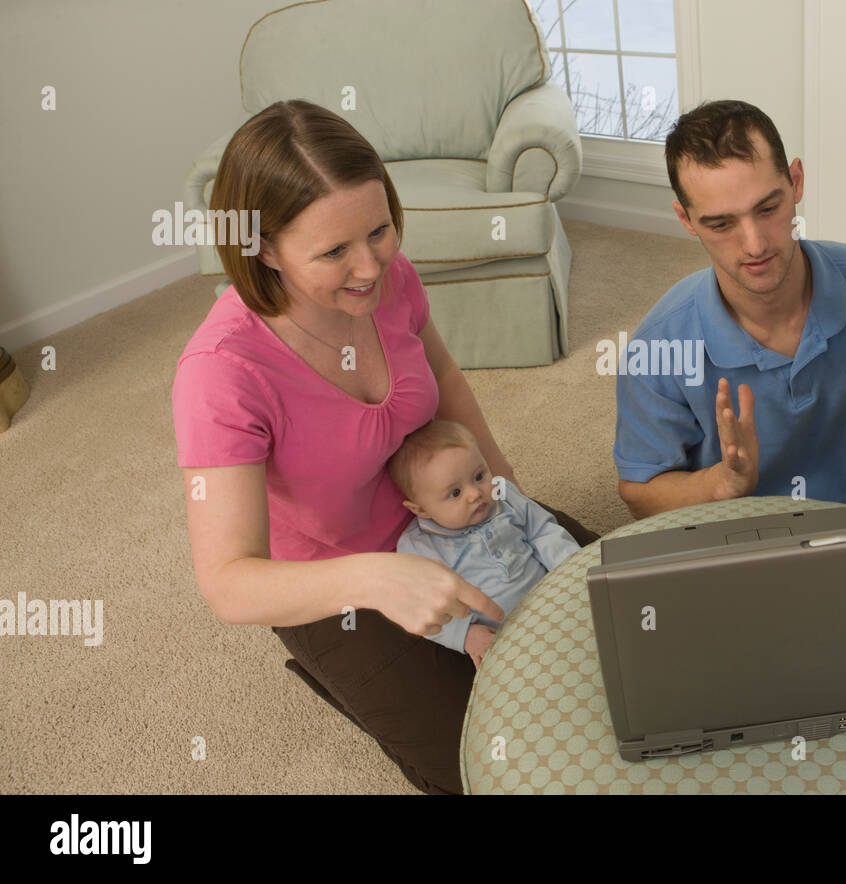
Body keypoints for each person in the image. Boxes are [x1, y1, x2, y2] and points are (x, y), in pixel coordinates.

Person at [171, 99, 598, 795]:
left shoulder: (391, 280)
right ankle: (335, 668)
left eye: (380, 230)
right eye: (335, 251)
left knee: (630, 626)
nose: (371, 266)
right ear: (264, 248)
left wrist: (507, 490)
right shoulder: (220, 374)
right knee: (499, 765)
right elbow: (227, 582)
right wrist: (376, 579)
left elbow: (447, 377)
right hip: (336, 584)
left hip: (450, 508)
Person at [614, 100, 846, 518]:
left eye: (768, 209)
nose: (755, 245)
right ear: (686, 219)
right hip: (739, 540)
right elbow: (639, 494)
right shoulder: (658, 344)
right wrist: (722, 483)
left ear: (796, 182)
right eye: (721, 224)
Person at [387, 419, 580, 669]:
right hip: (502, 640)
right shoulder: (419, 547)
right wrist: (465, 635)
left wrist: (571, 569)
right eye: (455, 493)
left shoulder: (503, 495)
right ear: (421, 509)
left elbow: (542, 530)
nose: (475, 493)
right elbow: (422, 606)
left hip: (556, 598)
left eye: (479, 476)